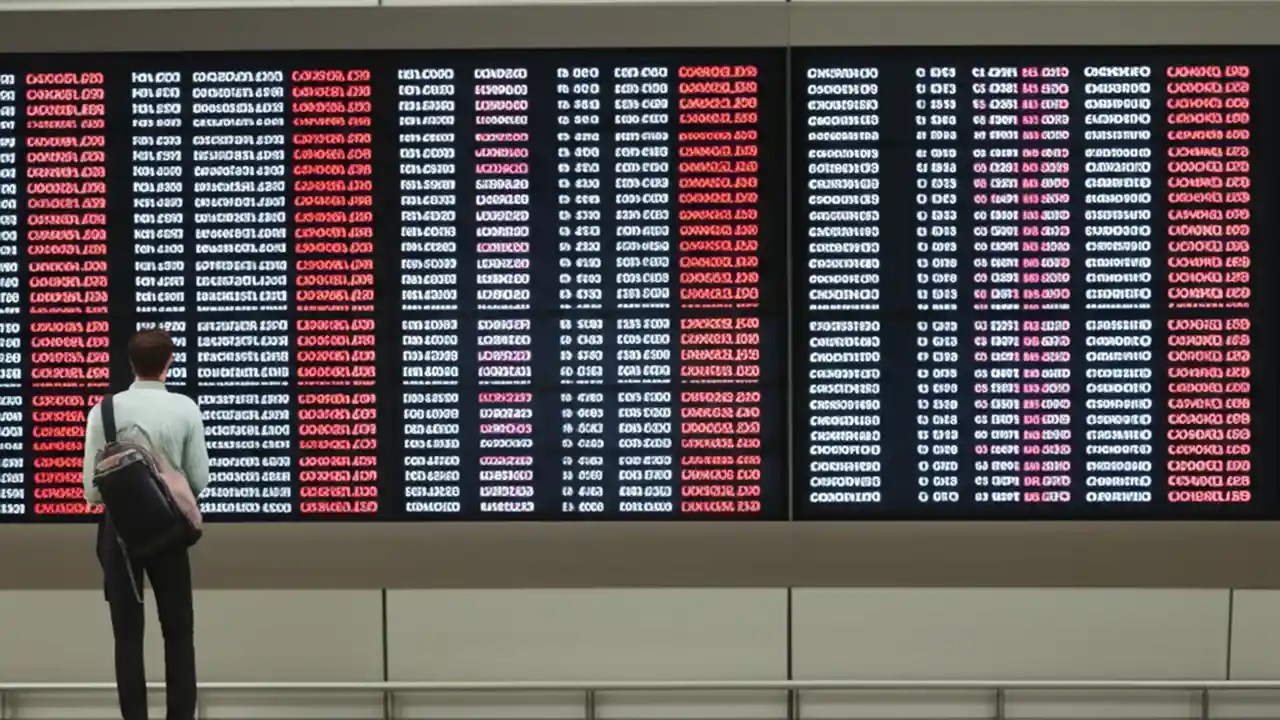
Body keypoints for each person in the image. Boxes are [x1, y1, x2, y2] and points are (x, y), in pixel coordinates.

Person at [81, 327, 210, 720]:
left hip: (119, 535)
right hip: (168, 532)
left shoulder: (104, 410)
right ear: (169, 362)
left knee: (127, 635)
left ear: (131, 364)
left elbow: (92, 490)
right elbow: (199, 478)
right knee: (178, 631)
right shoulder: (185, 408)